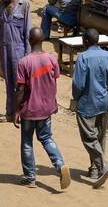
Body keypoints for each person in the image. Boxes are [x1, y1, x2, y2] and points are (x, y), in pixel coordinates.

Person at [71, 27, 108, 187]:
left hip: (86, 105)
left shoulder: (83, 58)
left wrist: (75, 98)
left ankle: (103, 165)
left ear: (86, 41)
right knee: (99, 137)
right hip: (103, 104)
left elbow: (78, 84)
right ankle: (95, 169)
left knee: (89, 139)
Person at [14, 26, 70, 190]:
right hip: (46, 109)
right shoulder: (52, 59)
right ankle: (60, 165)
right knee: (46, 138)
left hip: (29, 110)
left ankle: (30, 177)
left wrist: (17, 110)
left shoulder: (24, 62)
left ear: (29, 40)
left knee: (26, 142)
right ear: (43, 39)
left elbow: (21, 89)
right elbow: (55, 78)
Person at [0, 0, 29, 122]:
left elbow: (27, 30)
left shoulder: (24, 5)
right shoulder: (0, 6)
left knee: (20, 83)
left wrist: (28, 54)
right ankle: (9, 113)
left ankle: (22, 112)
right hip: (5, 48)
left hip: (19, 49)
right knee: (8, 81)